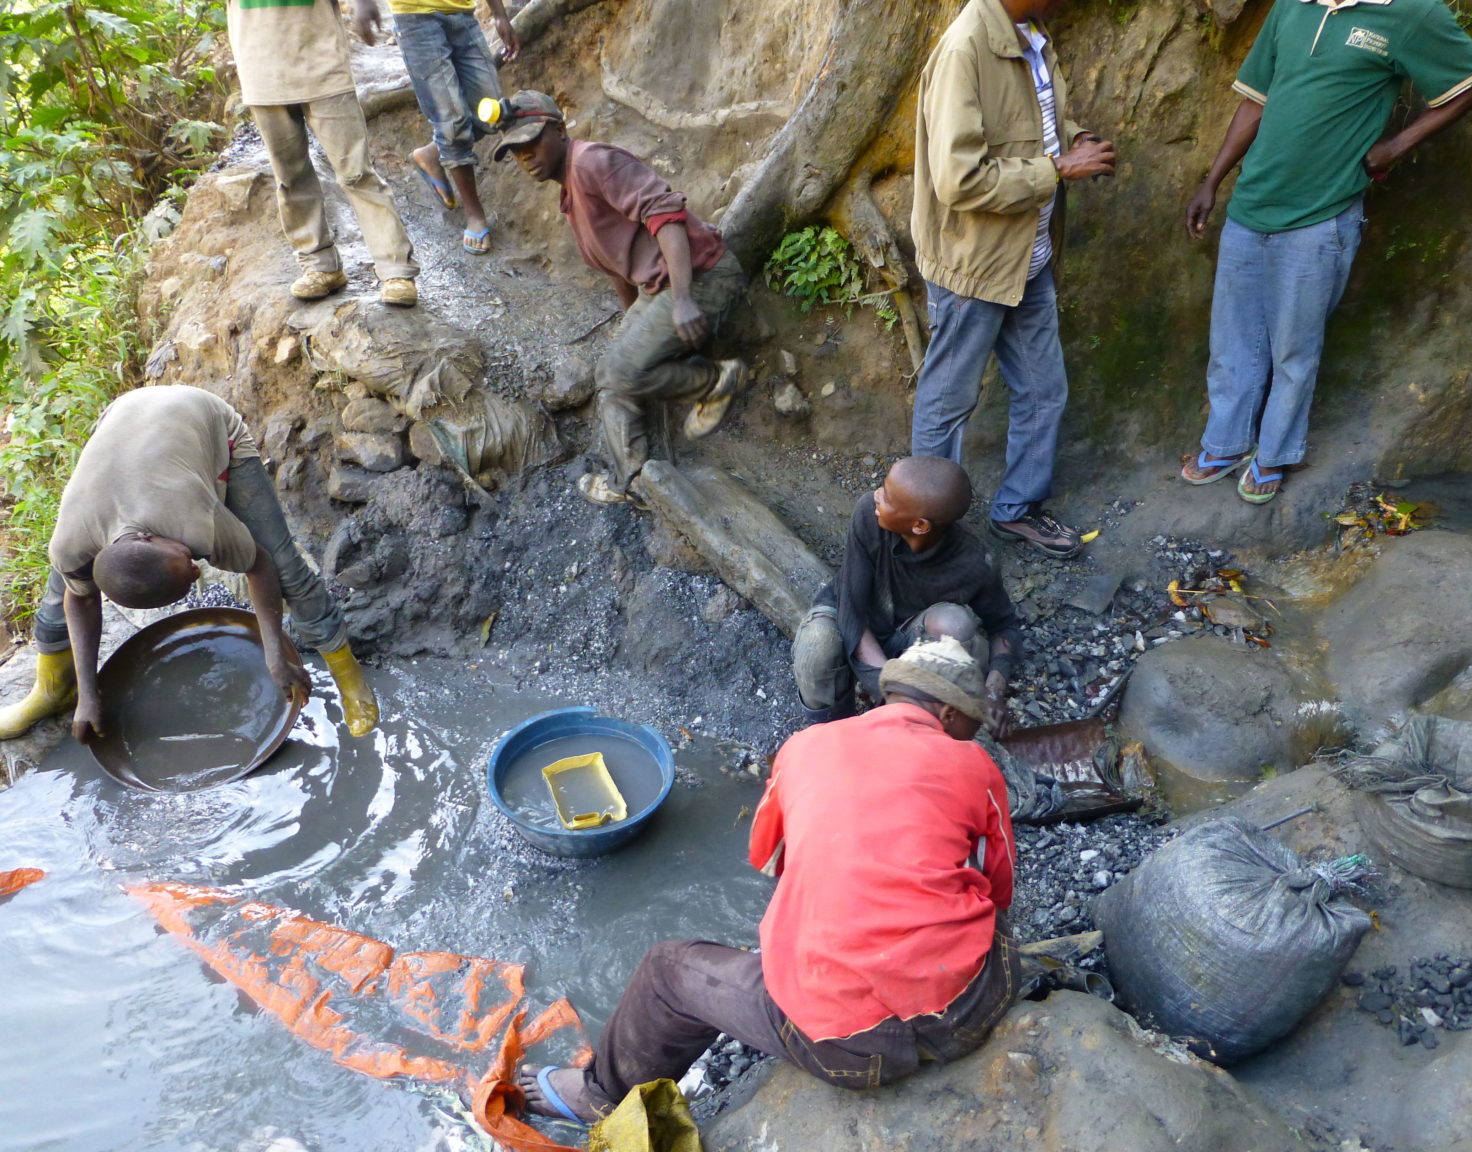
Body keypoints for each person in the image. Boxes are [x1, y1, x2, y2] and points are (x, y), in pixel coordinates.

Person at [516, 638, 1039, 1122]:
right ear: (946, 712)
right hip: (972, 1009)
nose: (976, 735)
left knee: (665, 971)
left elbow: (769, 858)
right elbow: (999, 889)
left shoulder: (806, 746)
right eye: (972, 722)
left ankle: (599, 1096)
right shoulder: (973, 763)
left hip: (844, 1049)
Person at [1181, 0, 1472, 505]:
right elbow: (1256, 100)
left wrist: (1396, 146)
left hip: (1321, 216)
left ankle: (1273, 456)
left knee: (1293, 350)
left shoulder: (1410, 13)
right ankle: (1225, 444)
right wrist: (1212, 180)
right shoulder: (1290, 7)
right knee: (1232, 339)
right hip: (1251, 204)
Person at [0, 386, 379, 743]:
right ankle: (53, 691)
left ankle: (348, 675)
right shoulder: (70, 544)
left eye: (188, 561)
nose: (198, 566)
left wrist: (274, 656)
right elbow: (80, 600)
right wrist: (89, 693)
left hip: (202, 418)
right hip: (123, 435)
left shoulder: (198, 523)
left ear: (150, 537)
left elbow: (259, 567)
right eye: (190, 565)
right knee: (58, 598)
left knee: (286, 567)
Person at [910, 0, 1114, 559]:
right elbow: (958, 180)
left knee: (1044, 391)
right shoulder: (965, 48)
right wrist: (1058, 170)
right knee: (947, 402)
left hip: (1029, 255)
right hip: (974, 264)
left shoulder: (1030, 34)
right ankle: (925, 531)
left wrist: (1074, 138)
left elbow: (1032, 124)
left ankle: (1017, 510)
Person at [487, 90, 747, 505]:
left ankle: (716, 380)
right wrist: (635, 326)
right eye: (515, 150)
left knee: (618, 373)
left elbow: (665, 214)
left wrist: (682, 300)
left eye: (531, 142)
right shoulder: (570, 193)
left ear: (559, 129)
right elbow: (616, 267)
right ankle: (638, 483)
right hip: (656, 288)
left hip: (701, 277)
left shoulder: (592, 162)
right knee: (612, 378)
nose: (524, 156)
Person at [792, 456, 1020, 731]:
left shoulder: (975, 563)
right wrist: (890, 684)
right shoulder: (868, 514)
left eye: (887, 497)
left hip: (907, 637)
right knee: (817, 644)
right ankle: (830, 730)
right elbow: (852, 607)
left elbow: (1004, 625)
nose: (876, 495)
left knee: (958, 626)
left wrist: (993, 691)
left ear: (920, 526)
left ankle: (913, 729)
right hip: (849, 618)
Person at [227, 0, 421, 306]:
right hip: (260, 69)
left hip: (322, 64)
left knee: (356, 172)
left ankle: (395, 269)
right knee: (290, 177)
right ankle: (320, 266)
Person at [354, 0, 517, 255]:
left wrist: (499, 14)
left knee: (492, 111)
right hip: (416, 18)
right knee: (451, 121)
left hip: (463, 14)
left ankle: (431, 153)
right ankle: (474, 214)